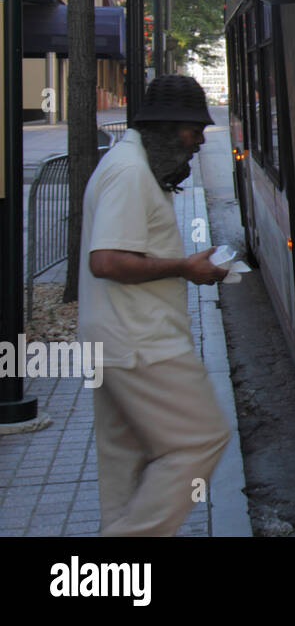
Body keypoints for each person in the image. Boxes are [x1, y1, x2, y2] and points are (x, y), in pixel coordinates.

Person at [78, 74, 231, 536]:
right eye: (193, 131)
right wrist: (184, 267)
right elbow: (106, 261)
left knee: (125, 461)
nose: (200, 141)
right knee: (201, 439)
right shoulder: (128, 172)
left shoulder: (133, 164)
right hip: (140, 341)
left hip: (114, 340)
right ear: (166, 128)